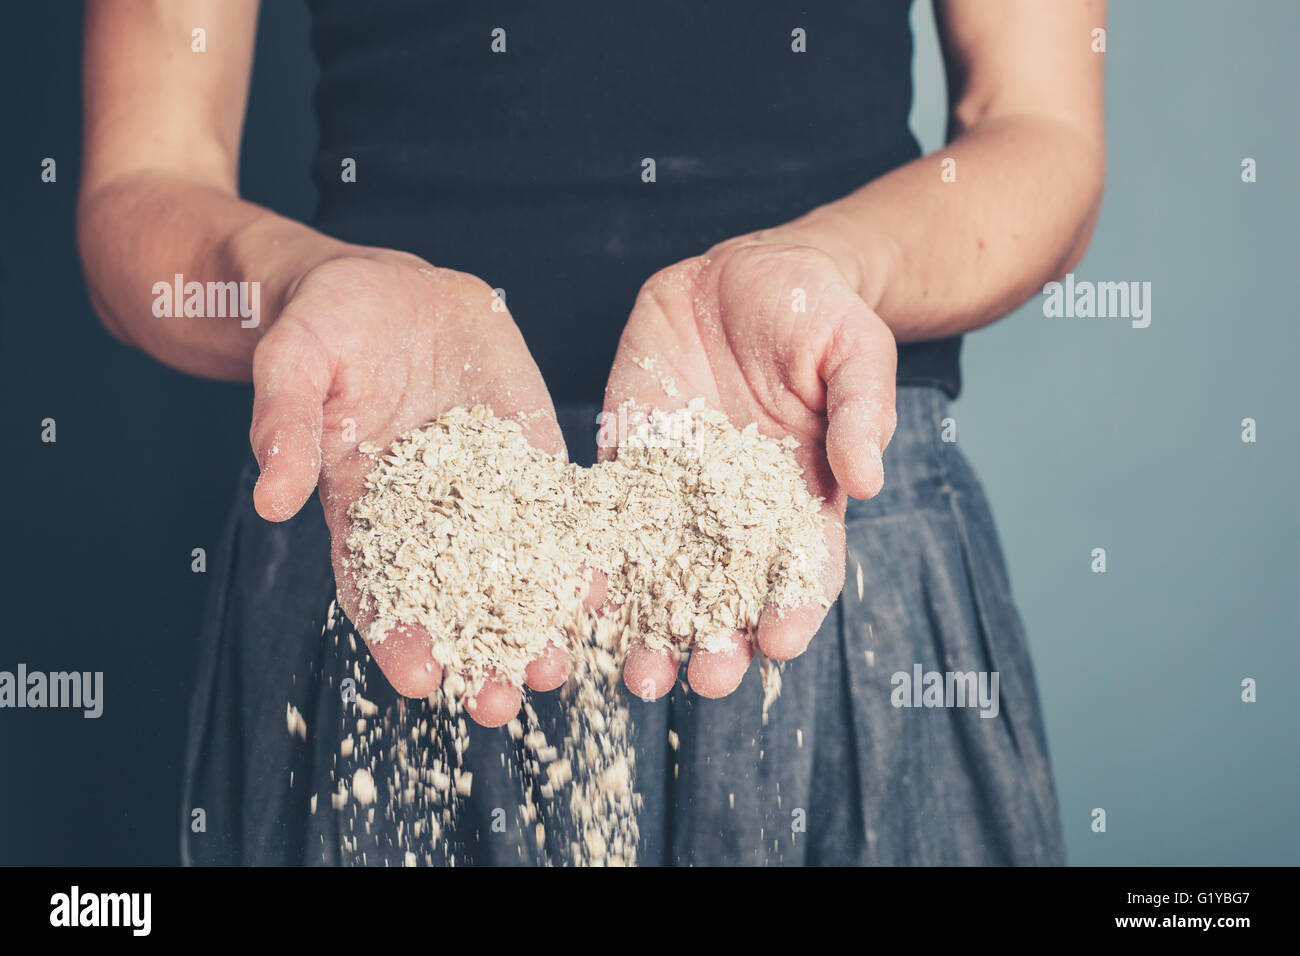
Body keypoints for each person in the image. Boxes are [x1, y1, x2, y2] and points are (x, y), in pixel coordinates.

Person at [78, 0, 1104, 865]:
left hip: (808, 478)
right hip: (391, 512)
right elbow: (142, 183)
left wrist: (833, 267)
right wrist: (302, 286)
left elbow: (1041, 132)